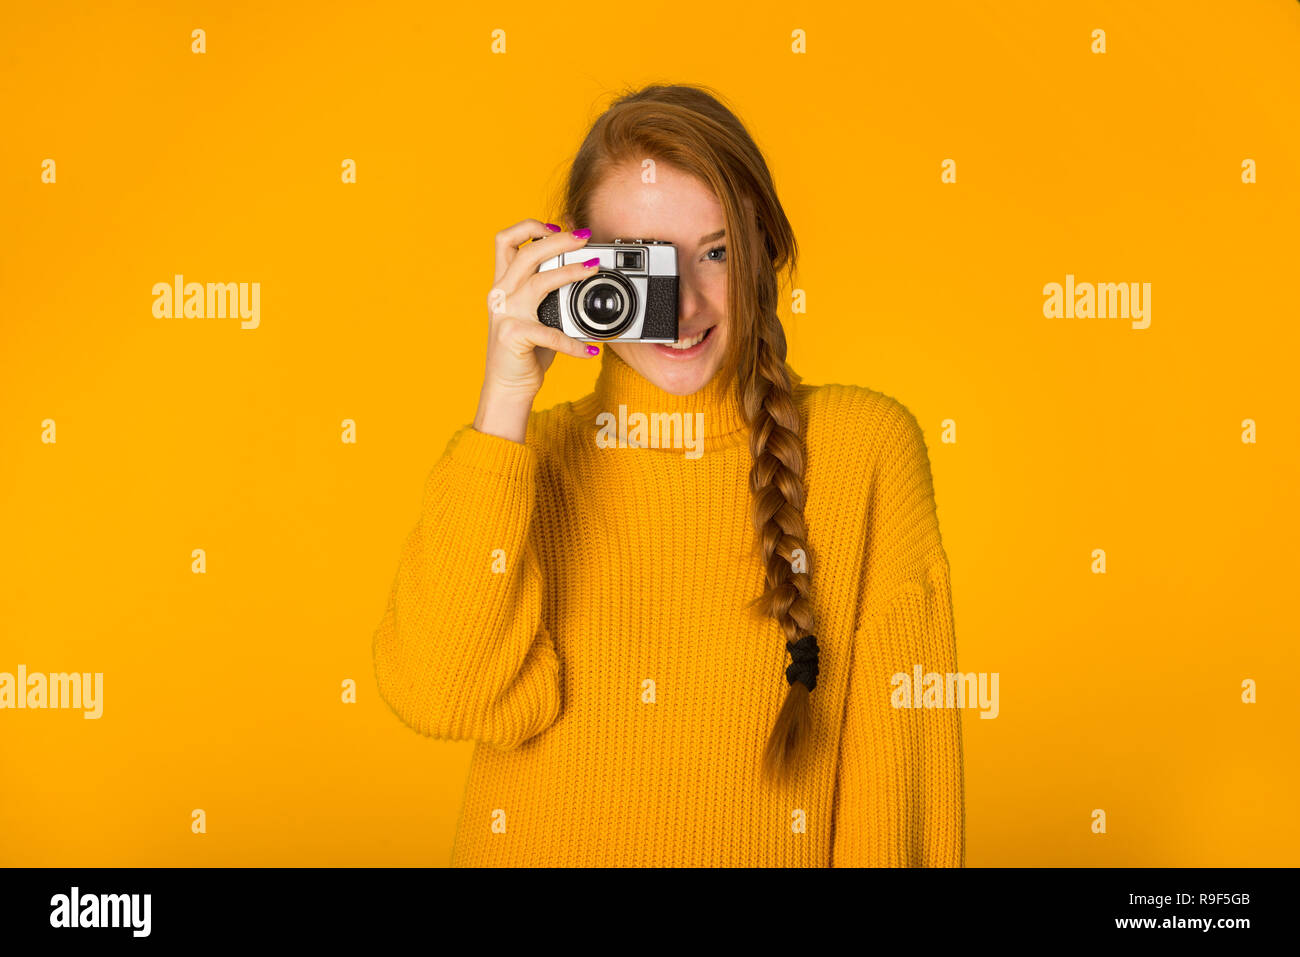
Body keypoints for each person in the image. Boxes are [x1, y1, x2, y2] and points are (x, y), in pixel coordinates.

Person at [372, 83, 964, 867]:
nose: (682, 306)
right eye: (641, 263)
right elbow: (444, 694)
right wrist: (507, 392)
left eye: (716, 252)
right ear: (577, 269)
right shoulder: (519, 466)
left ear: (762, 255)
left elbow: (900, 805)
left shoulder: (864, 449)